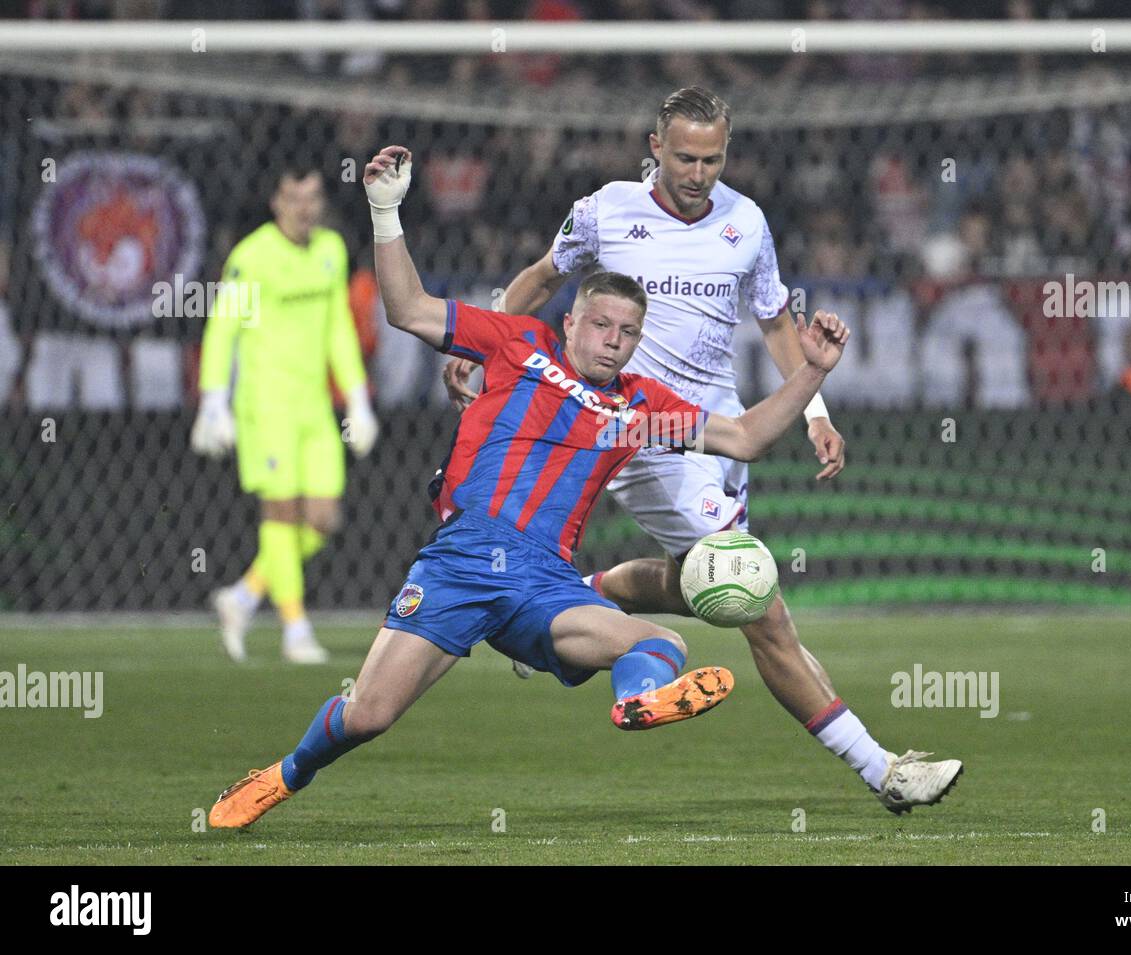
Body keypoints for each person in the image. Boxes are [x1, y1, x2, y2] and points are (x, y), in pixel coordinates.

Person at [207, 143, 865, 828]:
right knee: (367, 714)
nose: (613, 341)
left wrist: (811, 374)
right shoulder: (515, 343)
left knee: (661, 645)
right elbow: (406, 308)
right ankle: (285, 773)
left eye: (628, 333)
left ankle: (635, 704)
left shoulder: (637, 409)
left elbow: (747, 436)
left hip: (544, 585)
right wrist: (384, 210)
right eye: (601, 325)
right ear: (571, 321)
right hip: (462, 561)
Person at [442, 87, 963, 814]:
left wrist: (813, 407)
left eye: (711, 158)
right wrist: (481, 341)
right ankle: (883, 770)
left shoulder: (745, 222)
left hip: (721, 429)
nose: (697, 172)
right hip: (642, 426)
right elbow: (540, 277)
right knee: (760, 603)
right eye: (684, 156)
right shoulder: (605, 210)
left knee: (704, 584)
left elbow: (777, 321)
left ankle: (575, 603)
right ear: (655, 146)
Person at [191, 166, 378, 664]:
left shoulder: (330, 251)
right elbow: (223, 328)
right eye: (294, 198)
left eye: (312, 197)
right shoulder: (251, 257)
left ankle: (245, 596)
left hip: (315, 408)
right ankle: (295, 628)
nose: (304, 208)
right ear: (276, 202)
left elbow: (338, 327)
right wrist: (214, 400)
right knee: (281, 513)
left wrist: (357, 397)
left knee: (321, 520)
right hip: (264, 406)